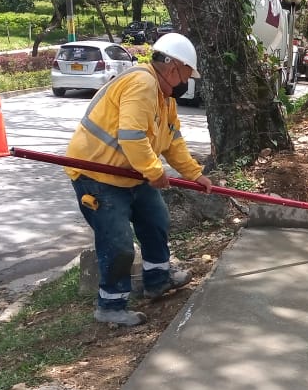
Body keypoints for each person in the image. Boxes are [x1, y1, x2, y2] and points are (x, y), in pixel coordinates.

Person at [65, 32, 213, 326]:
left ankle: (157, 279)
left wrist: (195, 173)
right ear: (173, 68)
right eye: (186, 73)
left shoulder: (164, 97)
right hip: (97, 175)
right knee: (117, 242)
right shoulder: (142, 84)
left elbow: (172, 143)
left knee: (156, 219)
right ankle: (110, 304)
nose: (187, 80)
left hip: (131, 173)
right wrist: (154, 172)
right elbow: (131, 137)